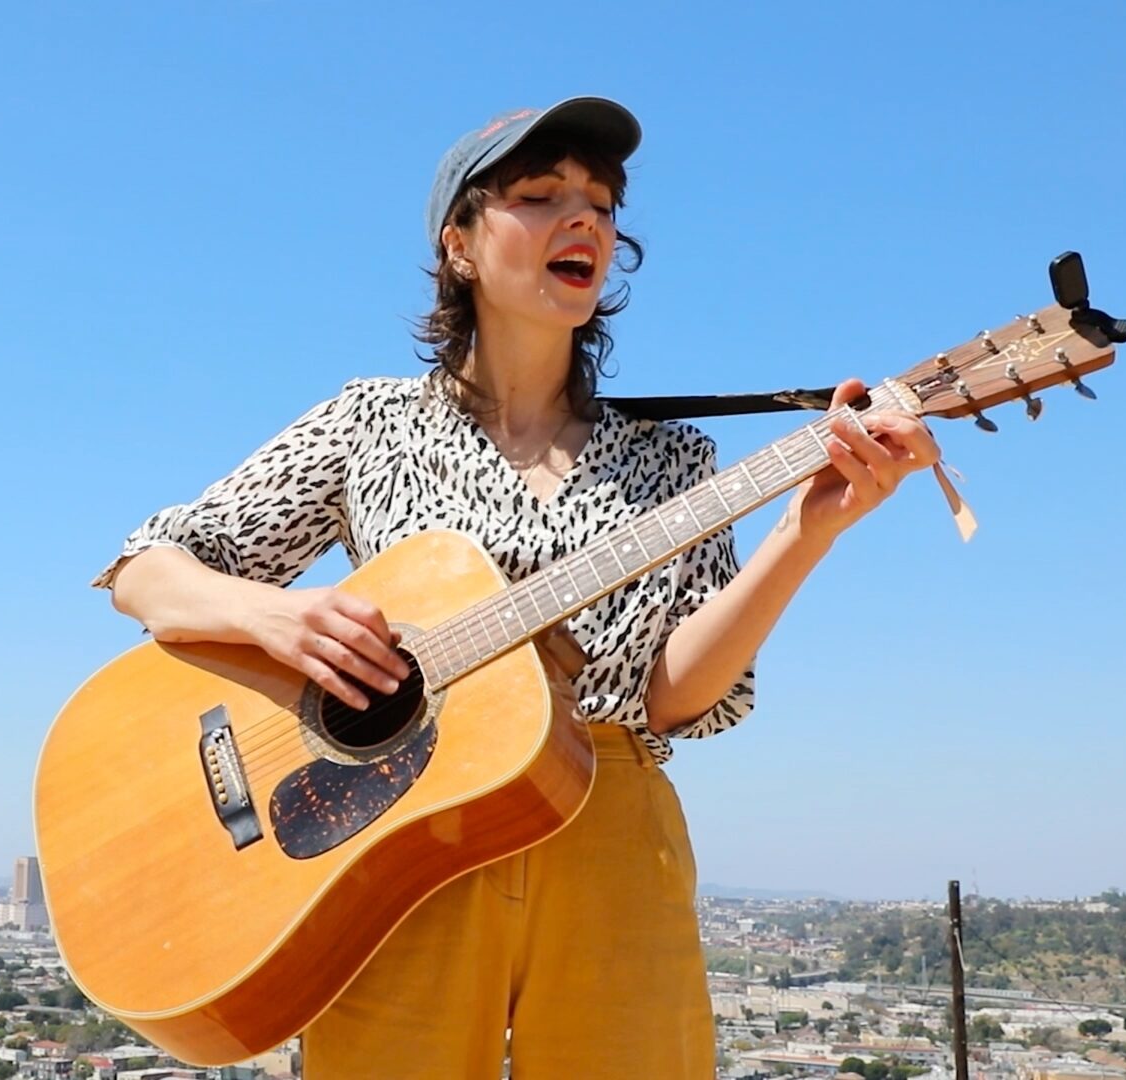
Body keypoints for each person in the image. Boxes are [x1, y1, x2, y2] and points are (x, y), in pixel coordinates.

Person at [90, 97, 940, 1079]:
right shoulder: (372, 425)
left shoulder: (674, 462)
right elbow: (148, 569)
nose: (585, 218)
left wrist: (805, 531)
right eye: (541, 195)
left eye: (602, 201)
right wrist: (279, 615)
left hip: (609, 832)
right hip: (392, 844)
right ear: (459, 244)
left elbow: (675, 696)